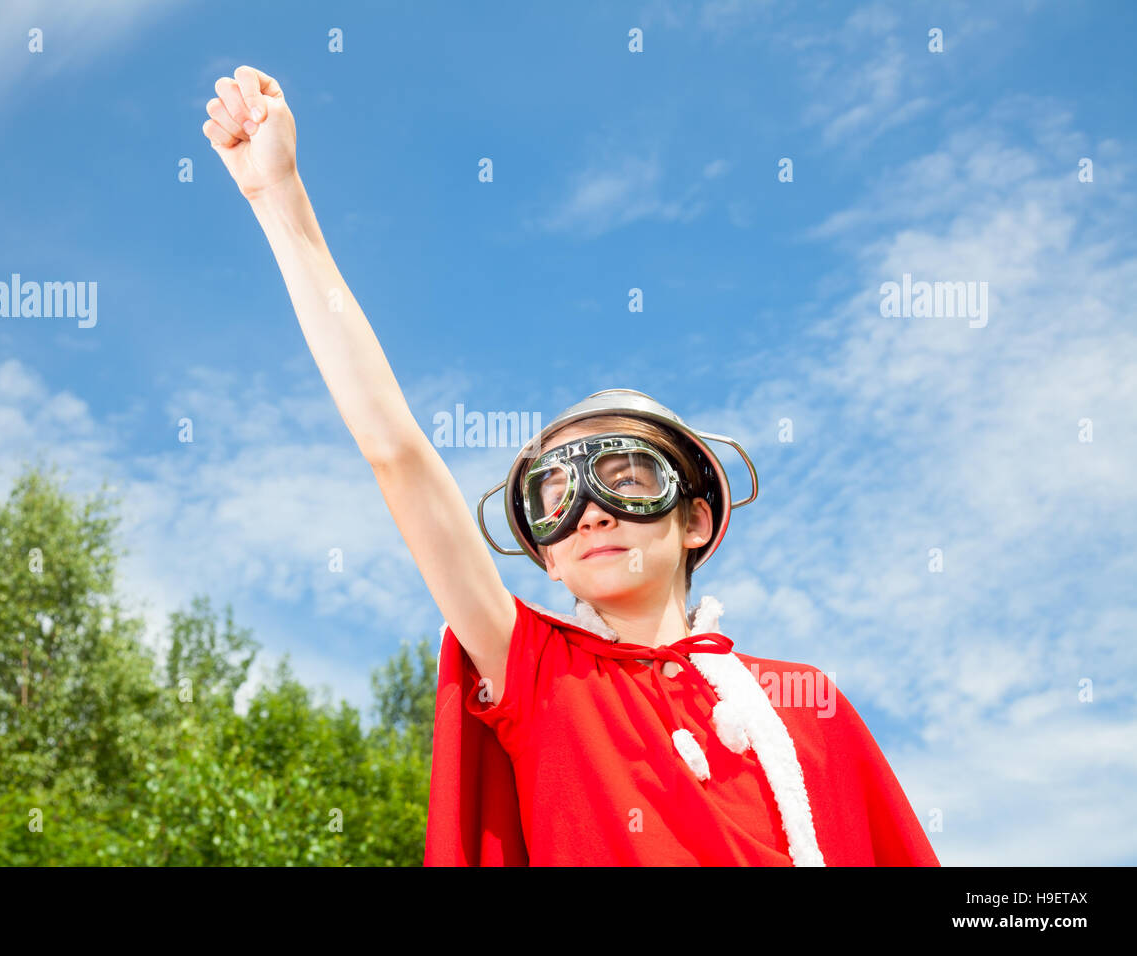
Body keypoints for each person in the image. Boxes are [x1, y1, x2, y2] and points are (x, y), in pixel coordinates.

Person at [202, 66, 941, 867]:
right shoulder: (542, 679)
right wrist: (278, 197)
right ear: (546, 557)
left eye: (626, 481)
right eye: (553, 498)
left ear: (696, 518)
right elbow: (396, 452)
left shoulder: (812, 708)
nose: (589, 510)